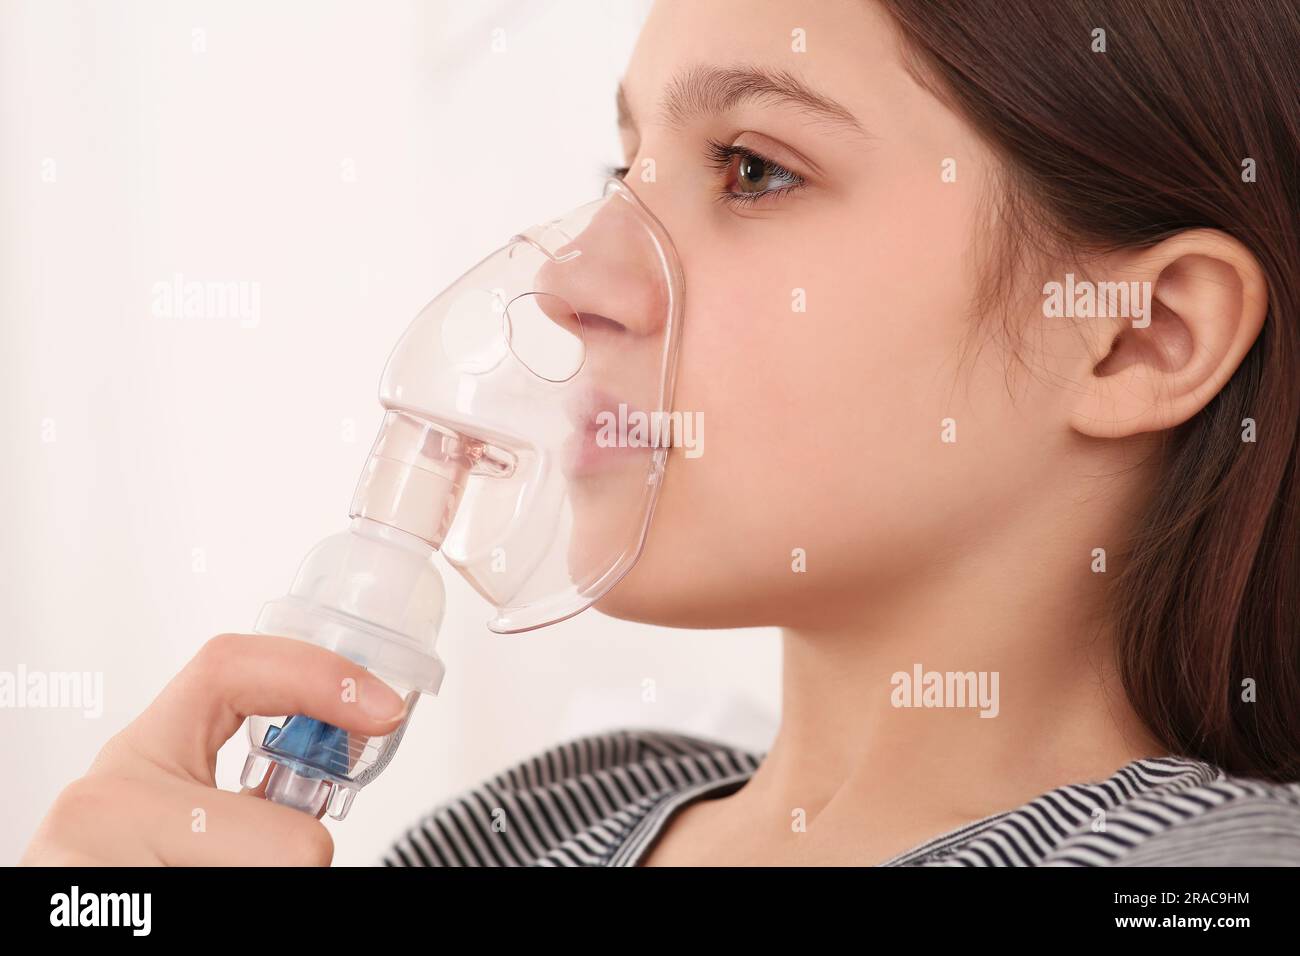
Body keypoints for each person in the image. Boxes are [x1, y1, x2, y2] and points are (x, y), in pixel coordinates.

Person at [22, 0, 1300, 866]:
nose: (574, 278)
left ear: (1139, 335)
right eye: (618, 173)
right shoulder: (537, 821)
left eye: (753, 169)